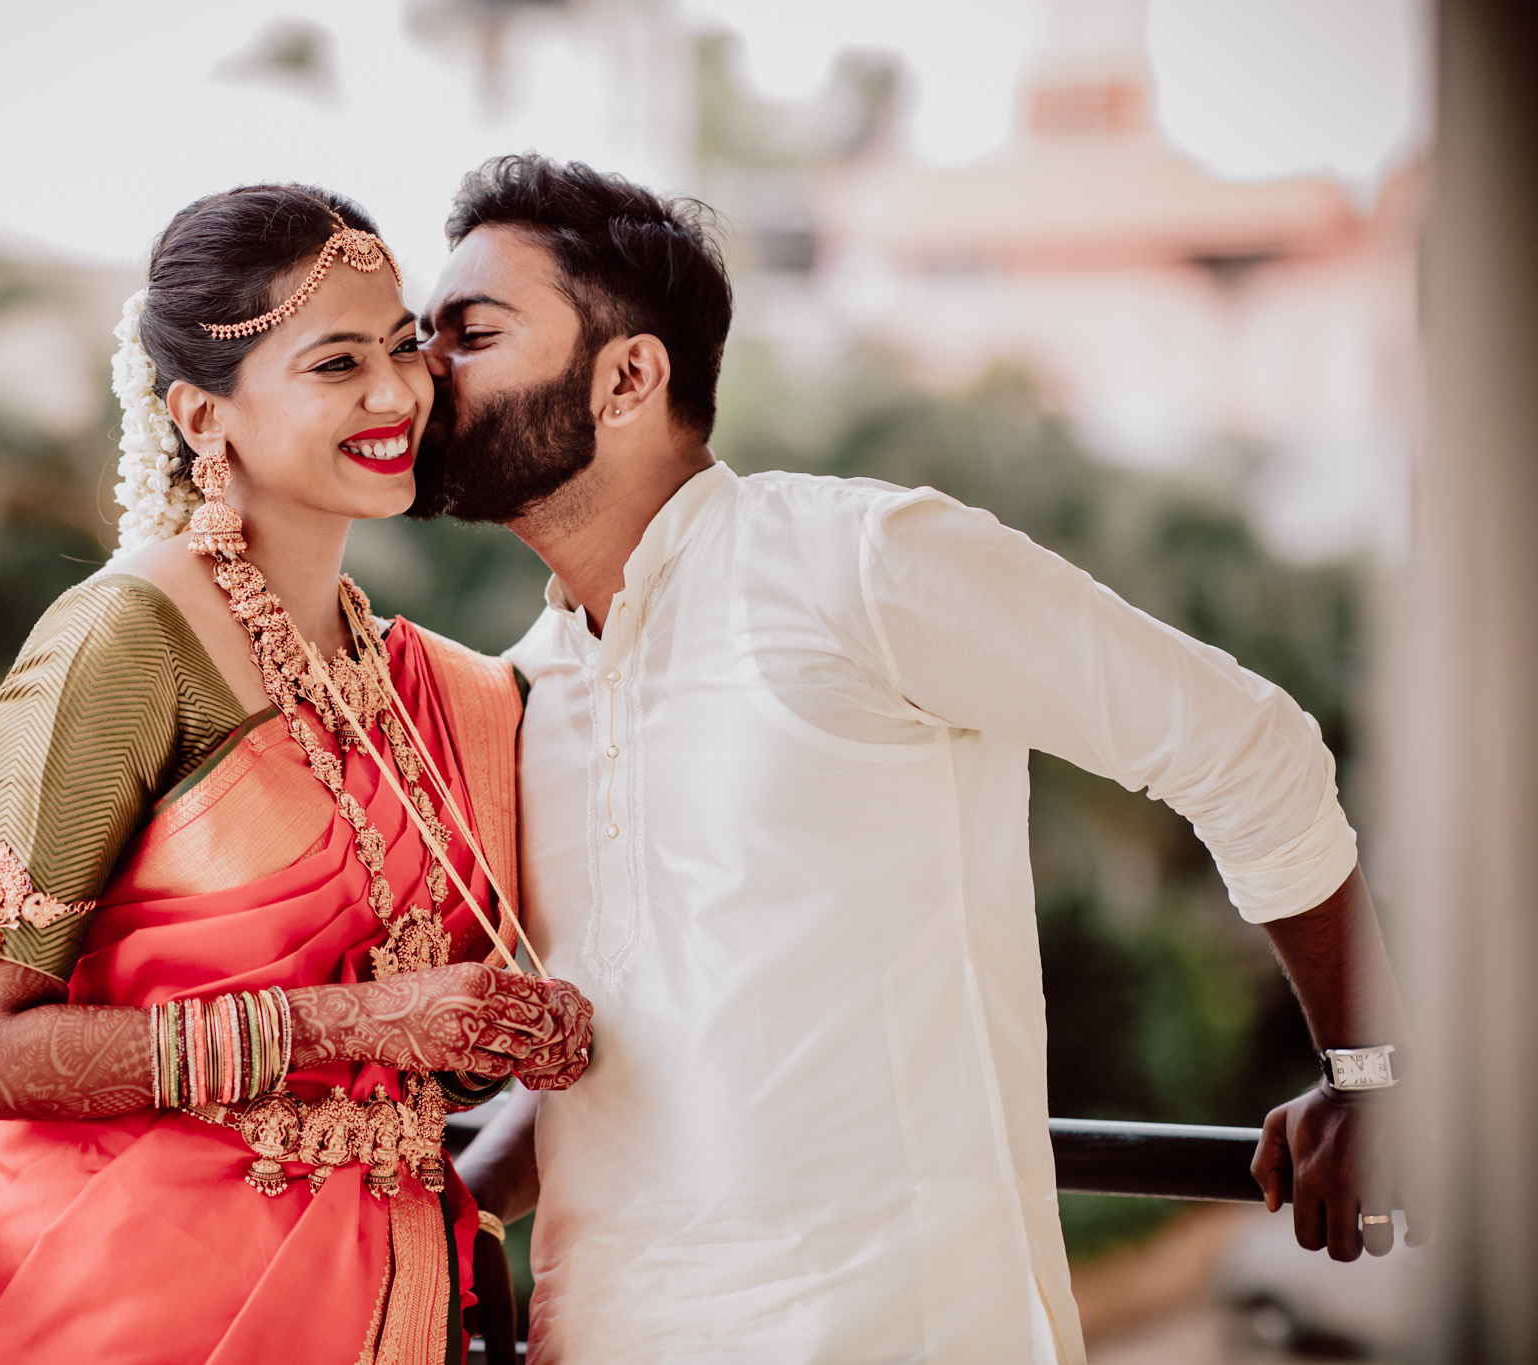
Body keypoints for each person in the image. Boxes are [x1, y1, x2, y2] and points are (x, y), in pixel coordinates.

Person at [419, 154, 1423, 1365]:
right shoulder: (526, 690)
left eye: (468, 331)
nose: (422, 371)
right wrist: (445, 1198)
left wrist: (1369, 1075)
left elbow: (1243, 745)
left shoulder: (857, 563)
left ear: (628, 375)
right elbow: (627, 1033)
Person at [0, 183, 592, 1365]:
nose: (397, 394)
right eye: (335, 364)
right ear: (200, 412)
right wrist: (373, 1019)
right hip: (148, 1303)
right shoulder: (125, 640)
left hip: (390, 1304)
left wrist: (478, 1080)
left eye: (402, 348)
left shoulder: (423, 681)